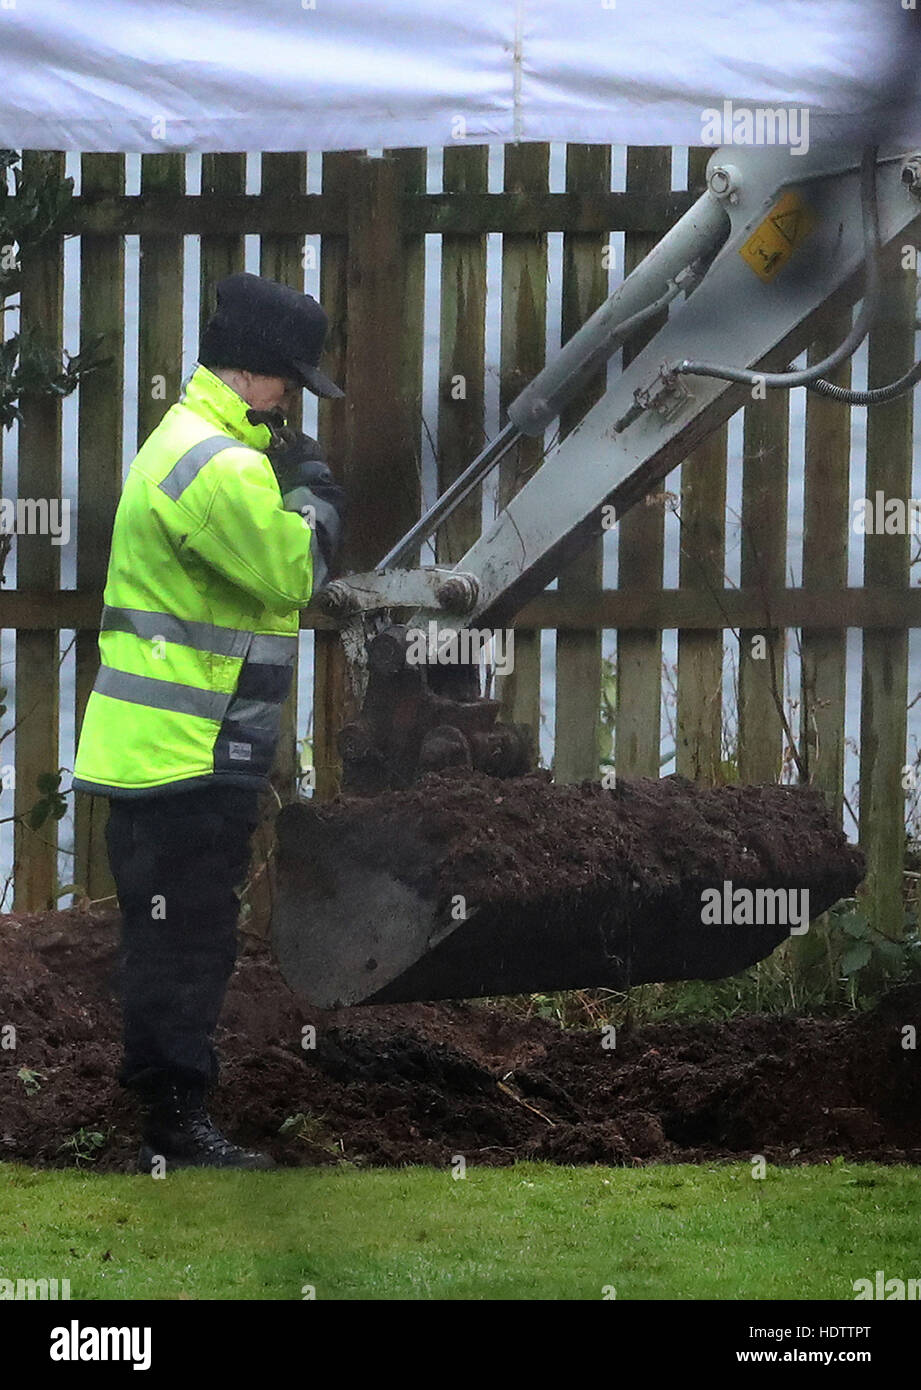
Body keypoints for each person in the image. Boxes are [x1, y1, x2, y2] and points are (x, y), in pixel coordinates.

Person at [72, 272, 346, 1172]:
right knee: (187, 946)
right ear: (257, 373)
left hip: (164, 753)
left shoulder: (184, 441)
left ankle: (165, 1110)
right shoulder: (221, 467)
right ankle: (176, 1128)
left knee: (173, 940)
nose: (294, 403)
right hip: (186, 758)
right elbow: (292, 576)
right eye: (291, 383)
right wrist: (313, 496)